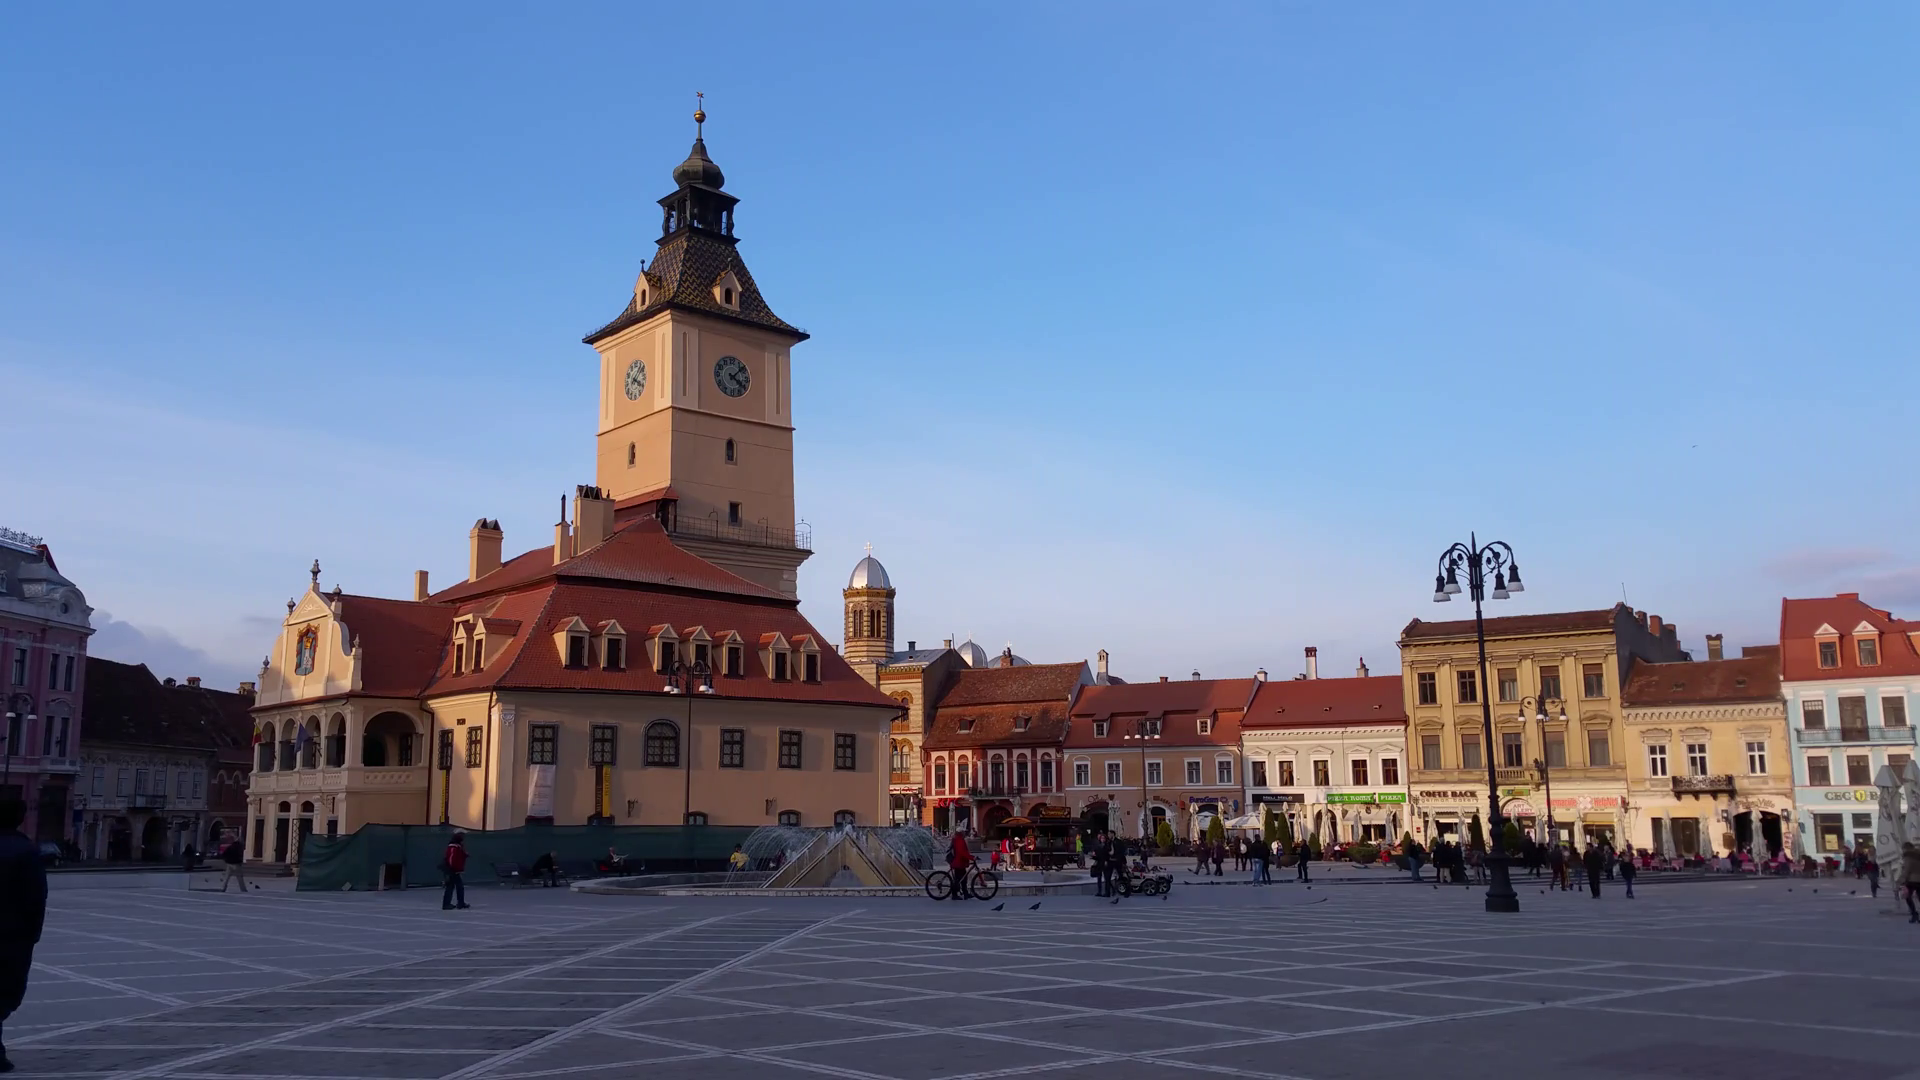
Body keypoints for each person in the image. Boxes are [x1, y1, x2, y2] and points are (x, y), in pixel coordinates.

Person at [0, 800, 47, 1074]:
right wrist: (33, 935)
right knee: (6, 992)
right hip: (11, 937)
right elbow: (35, 898)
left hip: (12, 934)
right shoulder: (26, 852)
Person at [441, 831, 470, 910]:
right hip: (453, 870)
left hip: (453, 870)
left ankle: (454, 903)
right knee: (454, 886)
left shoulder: (457, 846)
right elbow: (452, 859)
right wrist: (453, 868)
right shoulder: (454, 847)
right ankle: (452, 903)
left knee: (453, 886)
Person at [946, 830, 973, 901]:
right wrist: (972, 857)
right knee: (958, 879)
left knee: (963, 879)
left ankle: (965, 893)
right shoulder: (959, 840)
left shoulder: (957, 839)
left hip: (959, 862)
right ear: (961, 833)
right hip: (958, 863)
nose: (965, 833)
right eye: (964, 832)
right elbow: (962, 852)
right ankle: (954, 895)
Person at [1901, 842, 1920, 924]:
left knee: (1908, 897)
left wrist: (1900, 880)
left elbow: (1907, 870)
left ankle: (1914, 914)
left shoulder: (1908, 856)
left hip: (1911, 880)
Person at [1091, 831, 1111, 898]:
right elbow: (1096, 855)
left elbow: (1108, 855)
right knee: (1099, 878)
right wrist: (1093, 855)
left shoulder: (1108, 846)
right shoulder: (1098, 846)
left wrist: (1106, 860)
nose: (1102, 839)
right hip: (1099, 863)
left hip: (1105, 863)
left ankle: (1107, 892)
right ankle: (1099, 891)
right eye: (1101, 838)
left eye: (1104, 838)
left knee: (1106, 878)